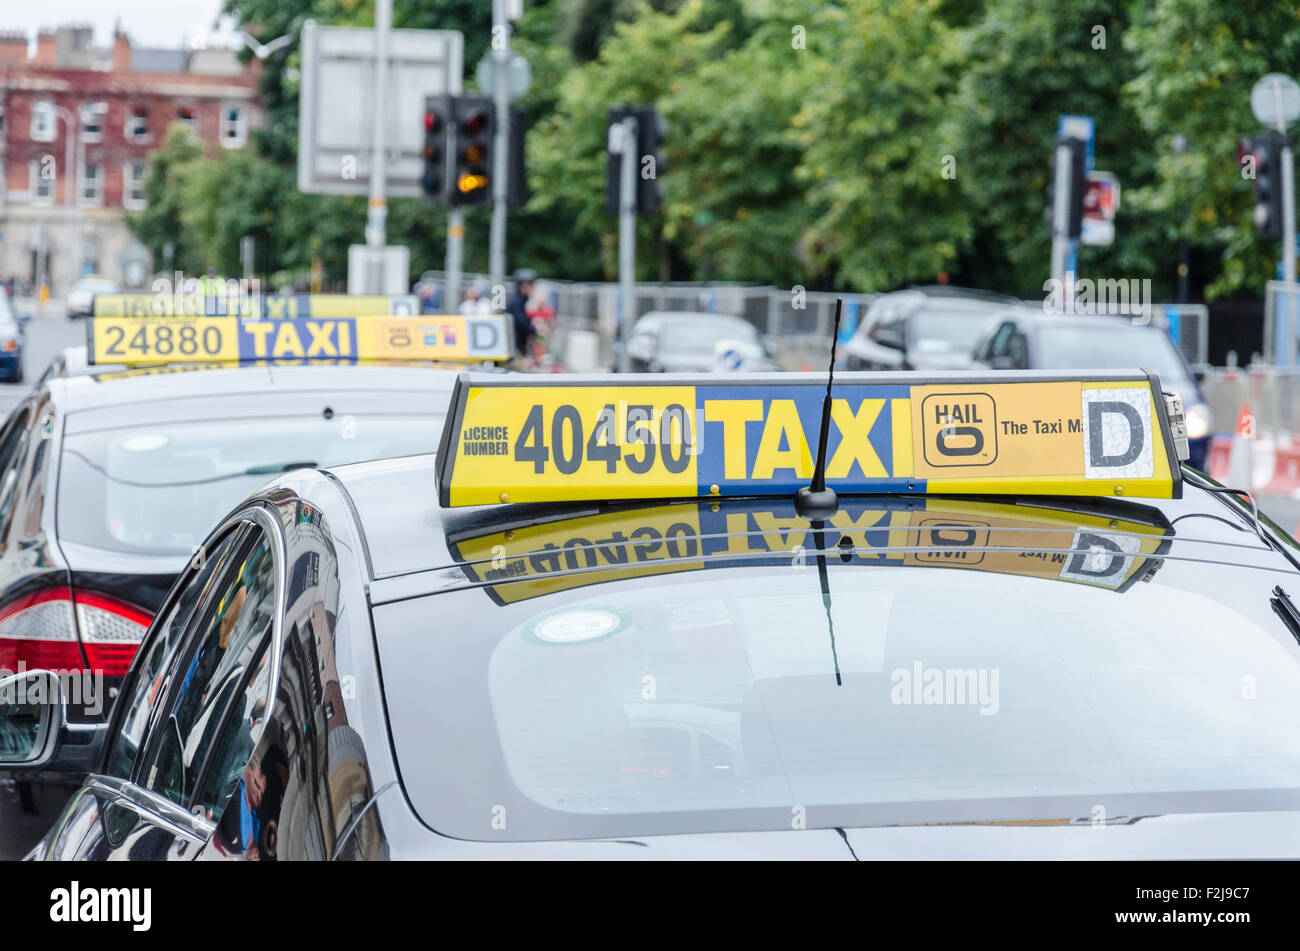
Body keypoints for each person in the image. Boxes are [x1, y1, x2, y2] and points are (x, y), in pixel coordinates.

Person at [506, 269, 537, 357]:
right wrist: (534, 328)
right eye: (531, 285)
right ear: (524, 285)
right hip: (514, 347)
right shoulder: (516, 301)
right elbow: (522, 323)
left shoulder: (520, 299)